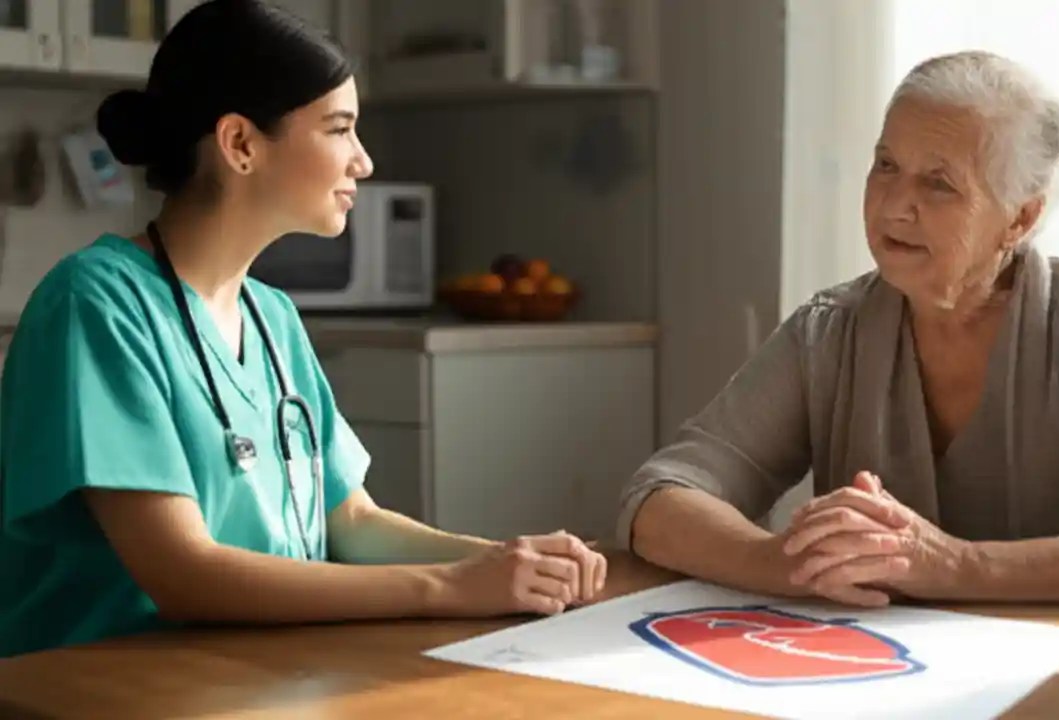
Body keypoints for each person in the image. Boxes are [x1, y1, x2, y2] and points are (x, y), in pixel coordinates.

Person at [0, 0, 605, 658]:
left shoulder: (272, 317)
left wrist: (509, 564)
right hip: (97, 690)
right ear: (240, 144)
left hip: (255, 675)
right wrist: (449, 585)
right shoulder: (96, 303)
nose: (363, 162)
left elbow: (352, 522)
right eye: (339, 129)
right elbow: (183, 575)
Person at [618, 51, 1059, 607]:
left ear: (1020, 220)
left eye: (938, 184)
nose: (893, 204)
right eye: (885, 166)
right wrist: (782, 564)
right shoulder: (827, 333)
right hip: (865, 683)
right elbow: (660, 499)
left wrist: (958, 565)